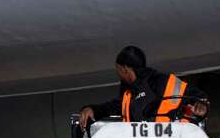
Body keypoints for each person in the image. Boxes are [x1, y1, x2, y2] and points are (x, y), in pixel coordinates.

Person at [78, 46, 206, 129]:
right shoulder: (129, 91)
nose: (117, 73)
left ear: (125, 69)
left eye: (117, 69)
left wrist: (200, 105)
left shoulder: (160, 81)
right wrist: (93, 110)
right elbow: (115, 106)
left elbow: (195, 96)